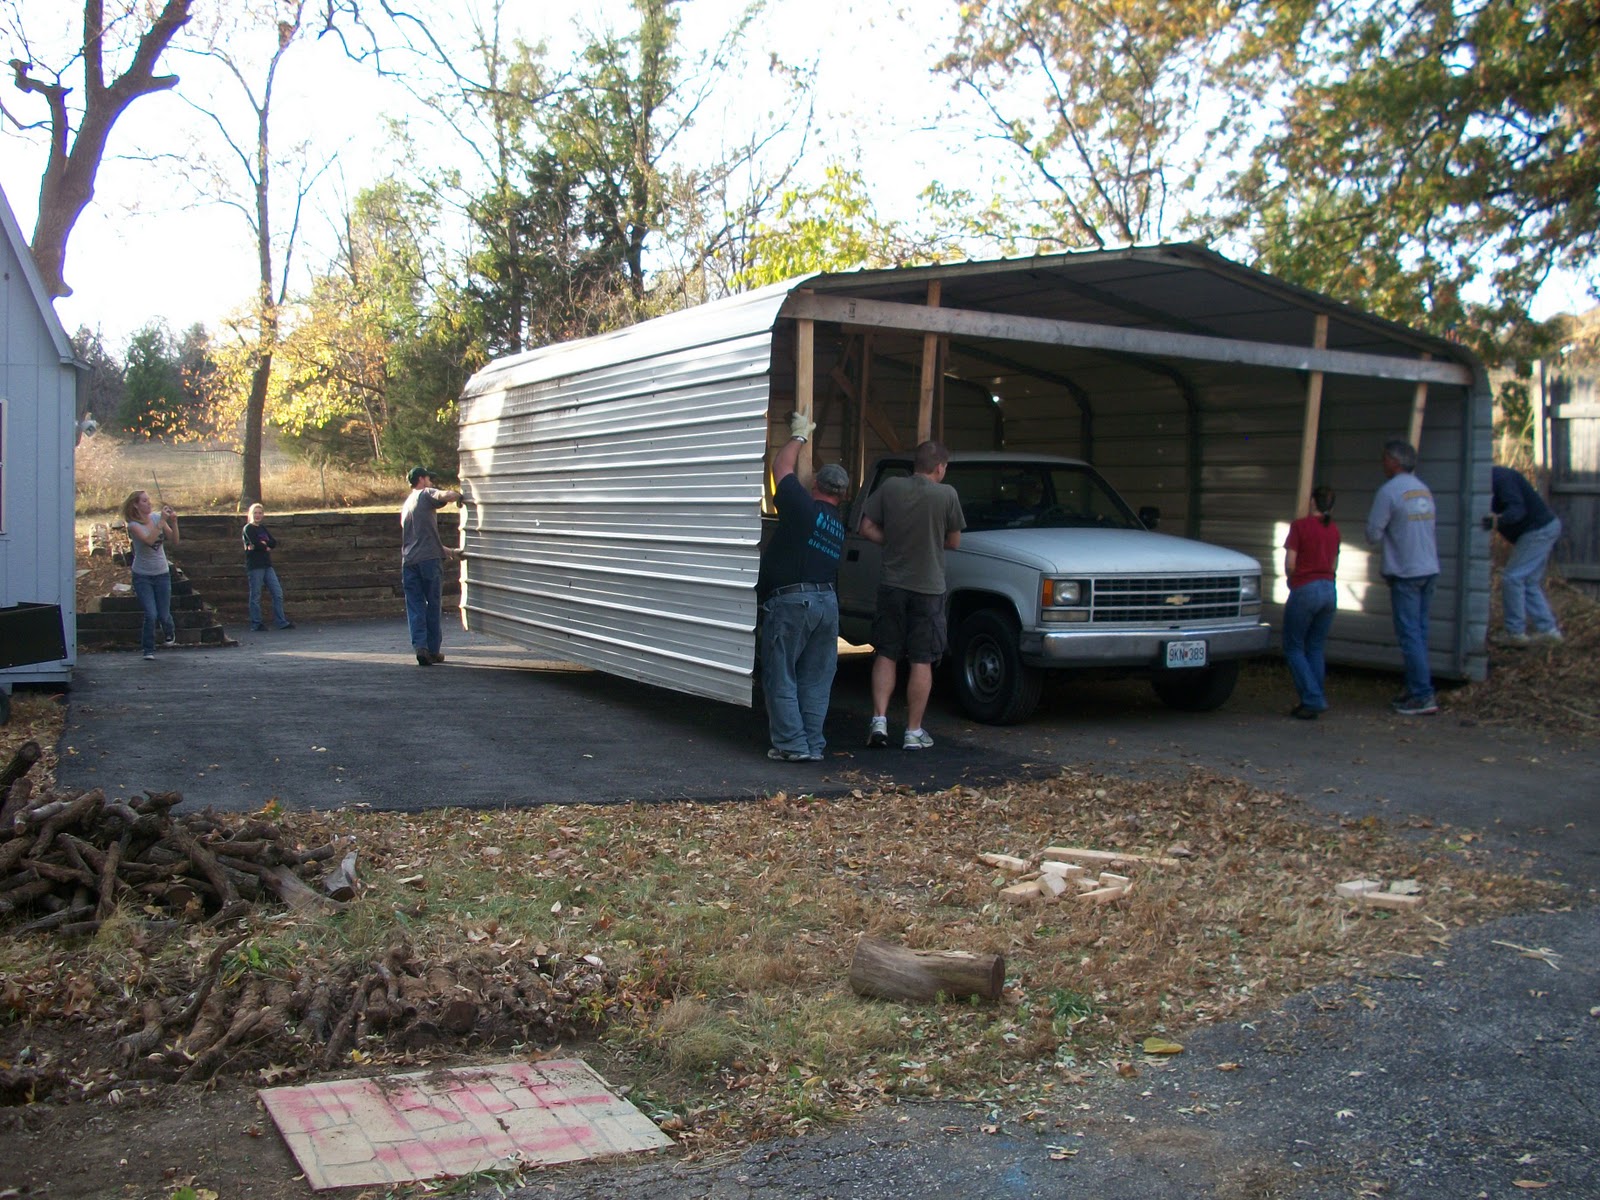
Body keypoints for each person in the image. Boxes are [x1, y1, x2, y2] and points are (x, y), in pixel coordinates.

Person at [859, 439, 966, 749]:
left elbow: (866, 527)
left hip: (892, 584)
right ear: (940, 467)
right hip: (928, 588)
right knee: (922, 659)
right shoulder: (947, 495)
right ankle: (913, 731)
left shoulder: (891, 487)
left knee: (886, 652)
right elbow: (954, 541)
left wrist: (892, 540)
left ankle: (879, 720)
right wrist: (929, 542)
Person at [756, 412, 850, 761]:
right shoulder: (837, 524)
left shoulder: (803, 509)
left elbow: (781, 467)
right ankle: (812, 745)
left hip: (794, 602)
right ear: (842, 494)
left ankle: (792, 745)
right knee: (815, 680)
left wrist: (798, 436)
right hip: (827, 603)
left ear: (815, 486)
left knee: (781, 674)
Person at [1365, 439, 1439, 716]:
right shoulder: (1423, 489)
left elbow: (1373, 533)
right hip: (1429, 568)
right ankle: (1416, 687)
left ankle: (1422, 694)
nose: (1382, 463)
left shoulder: (1389, 491)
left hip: (1406, 572)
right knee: (1419, 633)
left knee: (1409, 636)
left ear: (1394, 462)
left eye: (1385, 459)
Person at [1487, 465, 1563, 646]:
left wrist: (1497, 520)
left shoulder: (1501, 478)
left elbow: (1517, 510)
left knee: (1512, 578)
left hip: (1538, 530)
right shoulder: (1496, 478)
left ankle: (1515, 633)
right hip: (1545, 527)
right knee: (1528, 582)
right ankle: (1549, 631)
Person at [1282, 485, 1340, 719]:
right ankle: (1314, 697)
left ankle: (1313, 698)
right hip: (1329, 589)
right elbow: (1334, 565)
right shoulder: (1334, 530)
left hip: (1306, 588)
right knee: (1315, 646)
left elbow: (1291, 563)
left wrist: (1291, 581)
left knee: (1294, 647)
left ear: (1312, 502)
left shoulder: (1299, 526)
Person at [401, 466, 464, 667]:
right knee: (433, 604)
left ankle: (420, 647)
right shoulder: (425, 493)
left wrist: (451, 552)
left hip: (409, 562)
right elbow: (445, 495)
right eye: (429, 478)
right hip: (429, 562)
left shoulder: (406, 505)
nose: (431, 482)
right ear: (421, 479)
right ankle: (433, 649)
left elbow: (423, 540)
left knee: (415, 605)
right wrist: (459, 495)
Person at [121, 489, 180, 662]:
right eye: (144, 501)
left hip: (162, 573)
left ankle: (169, 631)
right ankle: (148, 649)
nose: (149, 503)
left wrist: (173, 523)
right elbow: (149, 540)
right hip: (142, 575)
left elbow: (175, 541)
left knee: (164, 614)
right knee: (151, 614)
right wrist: (161, 521)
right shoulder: (133, 526)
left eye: (149, 500)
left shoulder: (155, 518)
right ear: (136, 505)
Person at [242, 503, 295, 632]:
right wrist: (264, 545)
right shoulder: (248, 528)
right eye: (255, 513)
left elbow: (273, 542)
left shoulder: (262, 528)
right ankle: (256, 623)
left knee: (277, 593)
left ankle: (281, 621)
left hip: (267, 565)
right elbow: (255, 544)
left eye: (260, 513)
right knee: (256, 595)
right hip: (255, 566)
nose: (258, 515)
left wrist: (264, 544)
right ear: (250, 514)